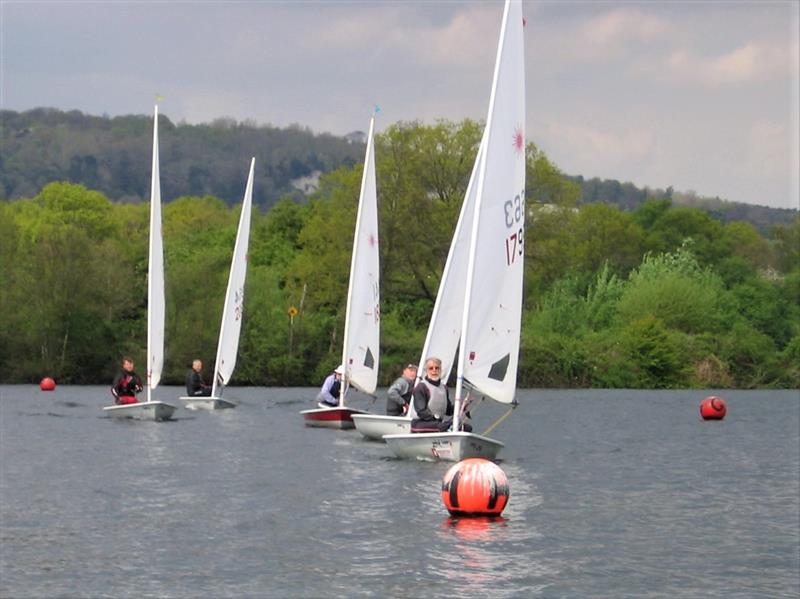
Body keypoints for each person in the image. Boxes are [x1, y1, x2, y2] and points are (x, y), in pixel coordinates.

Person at [410, 357, 472, 433]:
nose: (434, 370)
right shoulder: (421, 387)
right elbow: (421, 411)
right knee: (445, 426)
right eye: (431, 368)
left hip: (436, 423)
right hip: (420, 424)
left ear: (440, 370)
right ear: (426, 371)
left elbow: (448, 411)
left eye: (437, 368)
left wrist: (460, 406)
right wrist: (435, 418)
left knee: (466, 428)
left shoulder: (444, 388)